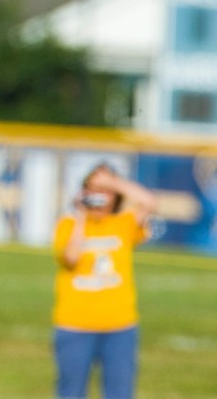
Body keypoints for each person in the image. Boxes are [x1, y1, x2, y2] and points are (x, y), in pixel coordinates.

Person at [52, 163, 158, 399]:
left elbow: (149, 202)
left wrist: (111, 182)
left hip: (120, 326)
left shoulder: (123, 224)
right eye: (93, 190)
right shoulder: (68, 225)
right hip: (75, 325)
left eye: (105, 192)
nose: (99, 196)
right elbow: (70, 257)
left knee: (120, 393)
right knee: (70, 392)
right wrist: (81, 214)